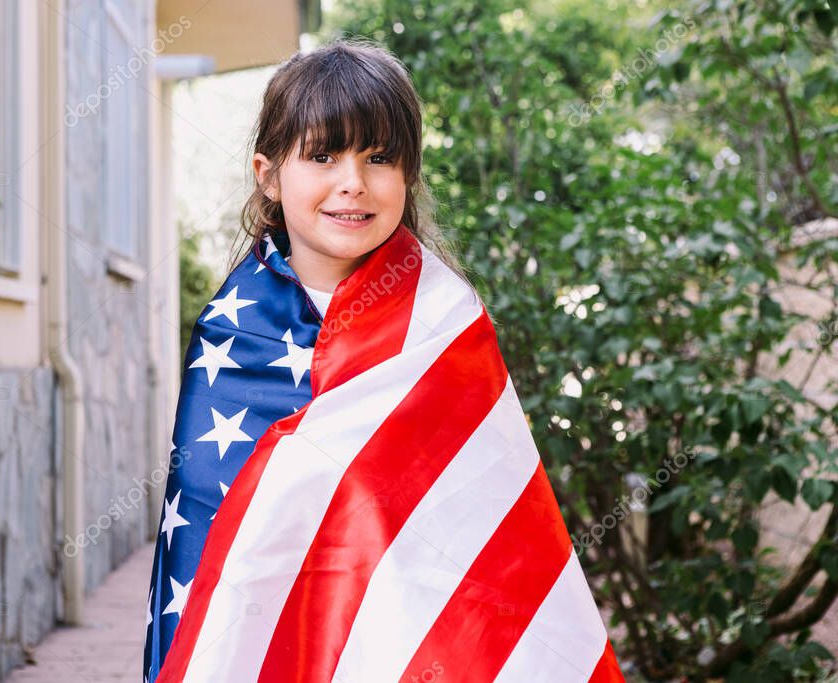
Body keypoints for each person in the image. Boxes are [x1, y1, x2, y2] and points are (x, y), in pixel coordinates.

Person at [144, 38, 624, 683]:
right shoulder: (233, 337)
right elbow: (212, 538)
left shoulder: (444, 326)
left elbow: (484, 528)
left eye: (380, 157)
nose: (354, 183)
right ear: (268, 174)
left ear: (409, 175)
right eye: (322, 155)